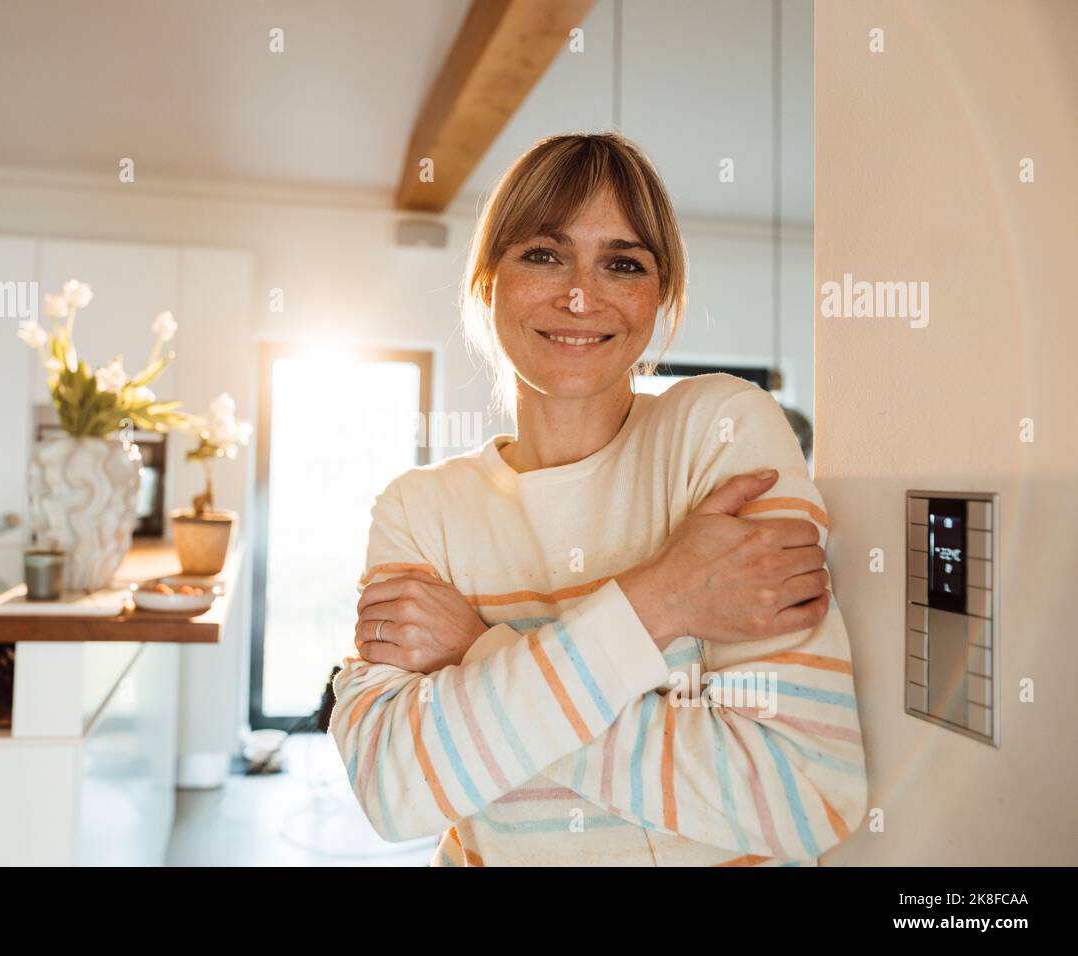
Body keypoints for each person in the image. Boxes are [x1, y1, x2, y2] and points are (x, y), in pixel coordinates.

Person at [329, 132, 868, 866]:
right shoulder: (418, 511)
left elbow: (806, 794)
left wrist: (482, 654)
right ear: (487, 282)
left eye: (622, 262)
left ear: (661, 295)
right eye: (544, 254)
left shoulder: (718, 432)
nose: (581, 294)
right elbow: (396, 790)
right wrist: (662, 598)